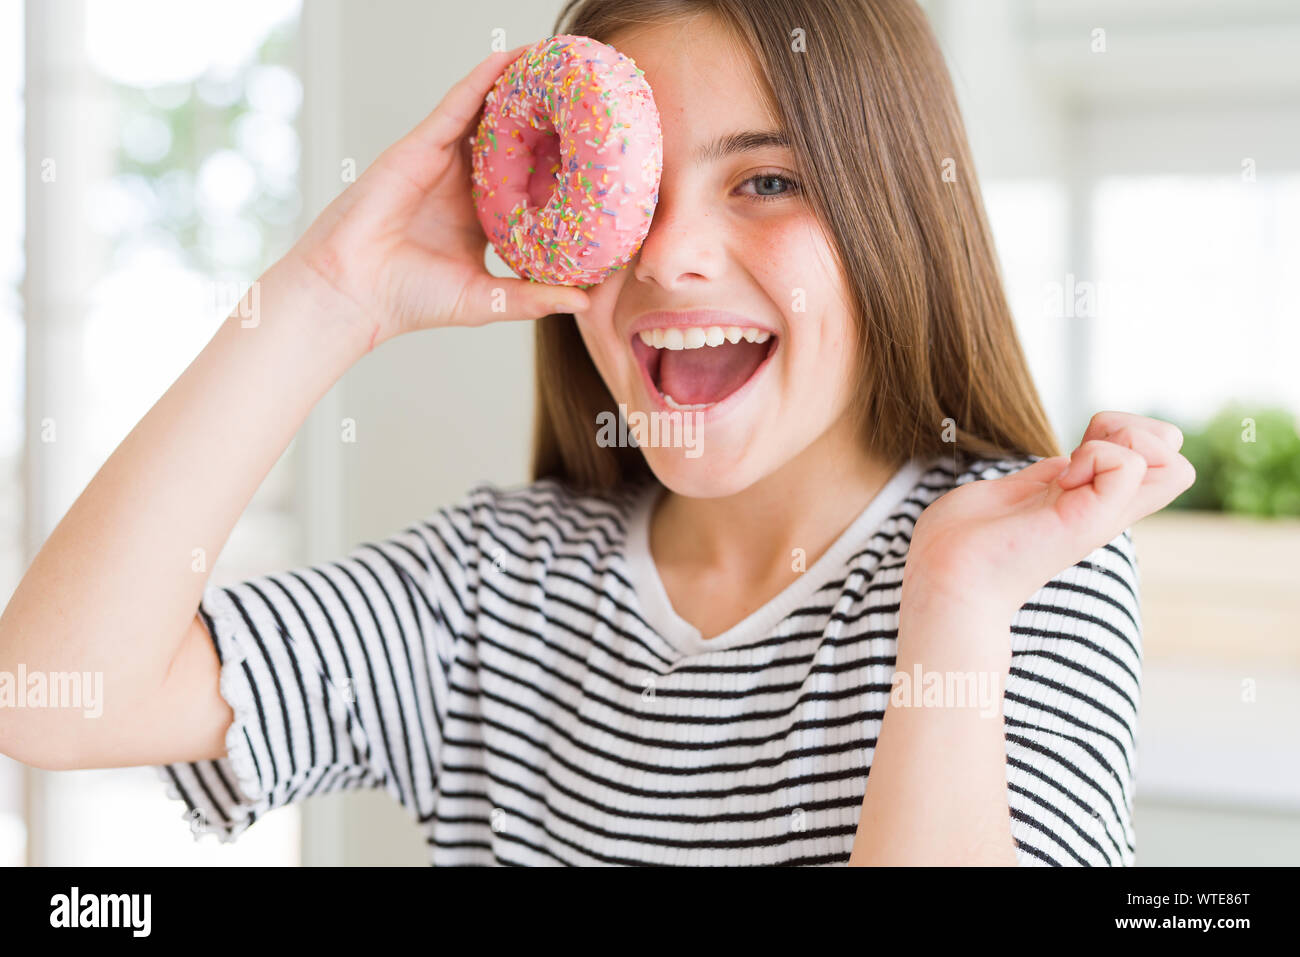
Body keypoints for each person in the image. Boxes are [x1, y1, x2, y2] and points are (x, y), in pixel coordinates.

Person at [0, 0, 1194, 866]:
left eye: (766, 182)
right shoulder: (495, 586)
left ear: (891, 215)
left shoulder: (1015, 567)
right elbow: (56, 700)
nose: (668, 255)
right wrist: (325, 297)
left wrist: (952, 609)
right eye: (629, 190)